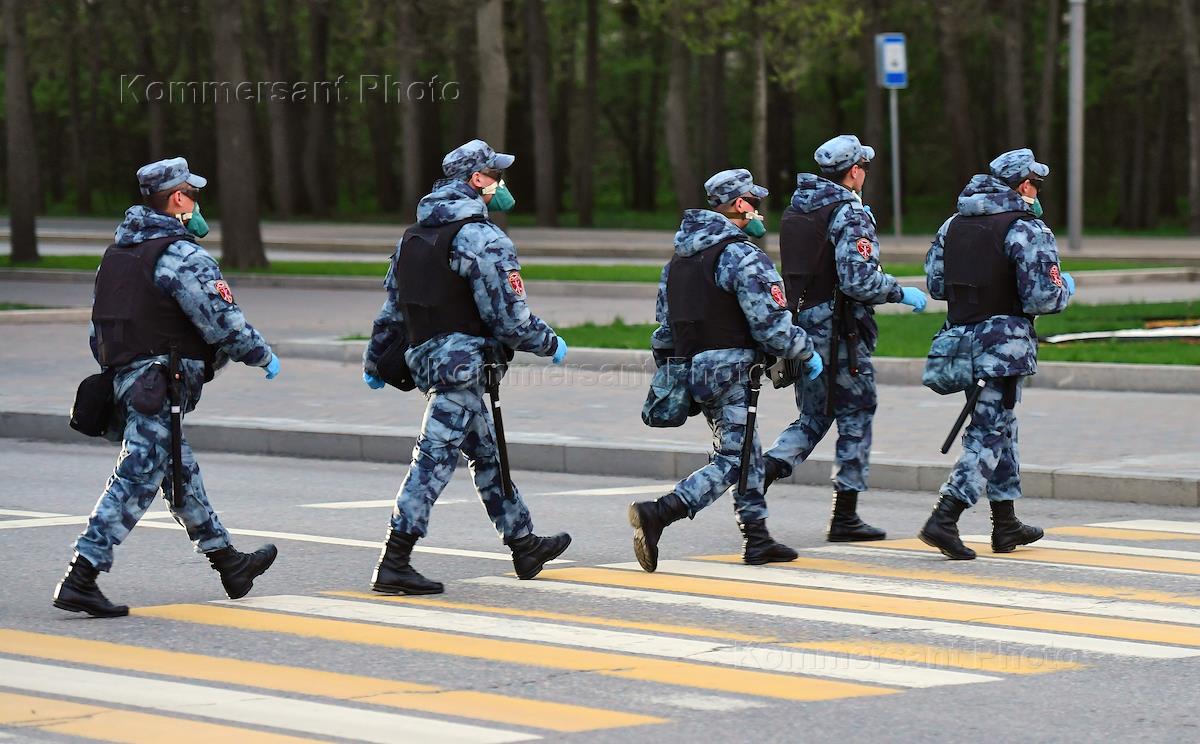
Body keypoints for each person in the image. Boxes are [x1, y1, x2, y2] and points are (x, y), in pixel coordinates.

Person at [53, 157, 280, 618]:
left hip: (128, 381)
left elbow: (99, 330)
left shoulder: (118, 254)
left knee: (179, 474)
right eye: (192, 194)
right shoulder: (182, 255)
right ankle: (81, 575)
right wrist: (261, 355)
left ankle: (228, 563)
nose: (197, 203)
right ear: (177, 199)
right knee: (136, 477)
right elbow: (221, 322)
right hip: (160, 384)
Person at [363, 139, 571, 594]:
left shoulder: (413, 236)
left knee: (489, 453)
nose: (501, 183)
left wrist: (376, 359)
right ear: (477, 180)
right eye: (495, 175)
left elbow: (392, 309)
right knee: (433, 459)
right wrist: (549, 342)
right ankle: (394, 559)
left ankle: (524, 543)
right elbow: (509, 317)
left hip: (431, 358)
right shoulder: (482, 236)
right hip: (462, 366)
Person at [630, 168, 821, 571]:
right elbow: (771, 323)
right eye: (756, 204)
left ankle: (757, 537)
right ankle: (660, 512)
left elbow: (665, 328)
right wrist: (805, 350)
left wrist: (675, 373)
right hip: (733, 372)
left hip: (696, 372)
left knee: (746, 450)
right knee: (733, 460)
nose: (761, 213)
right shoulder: (741, 255)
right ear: (739, 205)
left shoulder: (679, 260)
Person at [763, 135, 928, 541]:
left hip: (801, 328)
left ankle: (755, 477)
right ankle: (845, 515)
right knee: (857, 411)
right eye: (864, 168)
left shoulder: (798, 209)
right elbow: (859, 281)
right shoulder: (848, 213)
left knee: (814, 417)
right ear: (854, 172)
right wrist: (899, 291)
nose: (865, 174)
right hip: (839, 334)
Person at [919, 148, 1074, 559]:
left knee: (1001, 426)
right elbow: (1043, 297)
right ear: (1025, 186)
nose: (1037, 193)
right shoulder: (1027, 228)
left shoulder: (952, 225)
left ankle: (1005, 524)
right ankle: (945, 516)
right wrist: (1066, 289)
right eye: (1036, 185)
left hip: (958, 342)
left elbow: (936, 284)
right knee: (988, 432)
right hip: (1002, 347)